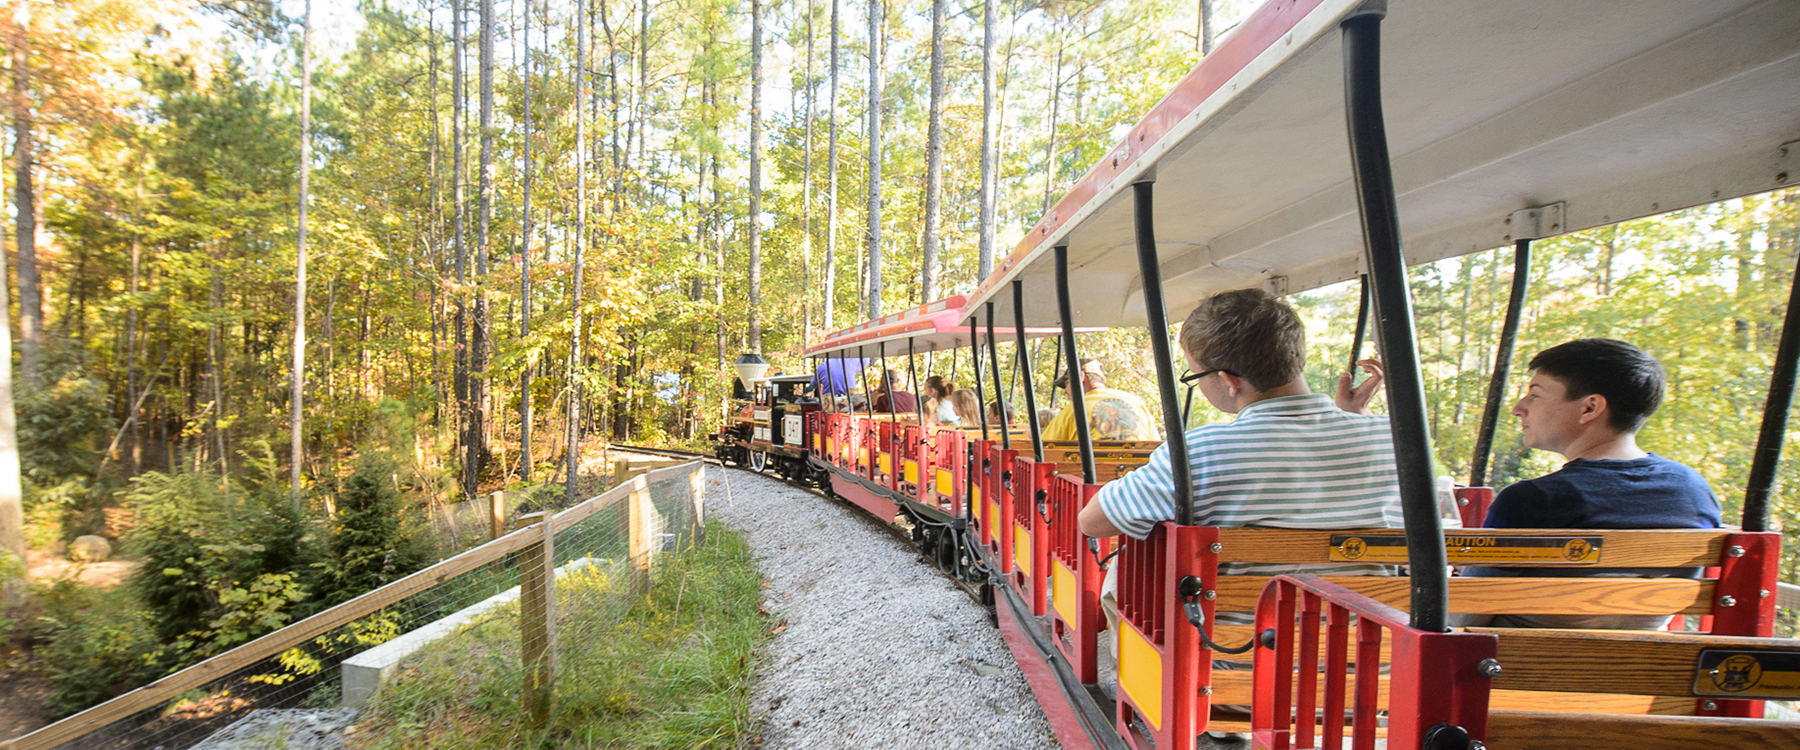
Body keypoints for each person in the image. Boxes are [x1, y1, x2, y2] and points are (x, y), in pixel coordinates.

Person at [1076, 288, 1403, 610]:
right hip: (1376, 652)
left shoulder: (1203, 451)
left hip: (1236, 654)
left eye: (1196, 375)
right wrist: (1354, 421)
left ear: (1230, 380)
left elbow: (1092, 522)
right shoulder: (1393, 440)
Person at [1458, 338, 1721, 629]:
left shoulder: (1531, 500)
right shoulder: (1694, 491)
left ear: (1590, 408)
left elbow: (1463, 616)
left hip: (1512, 667)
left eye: (1534, 394)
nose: (1519, 408)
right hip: (1645, 667)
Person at [1042, 359, 1159, 441]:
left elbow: (1044, 450)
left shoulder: (1073, 410)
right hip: (1136, 472)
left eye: (1067, 383)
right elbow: (1154, 444)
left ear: (1081, 377)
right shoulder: (1136, 402)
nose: (1065, 391)